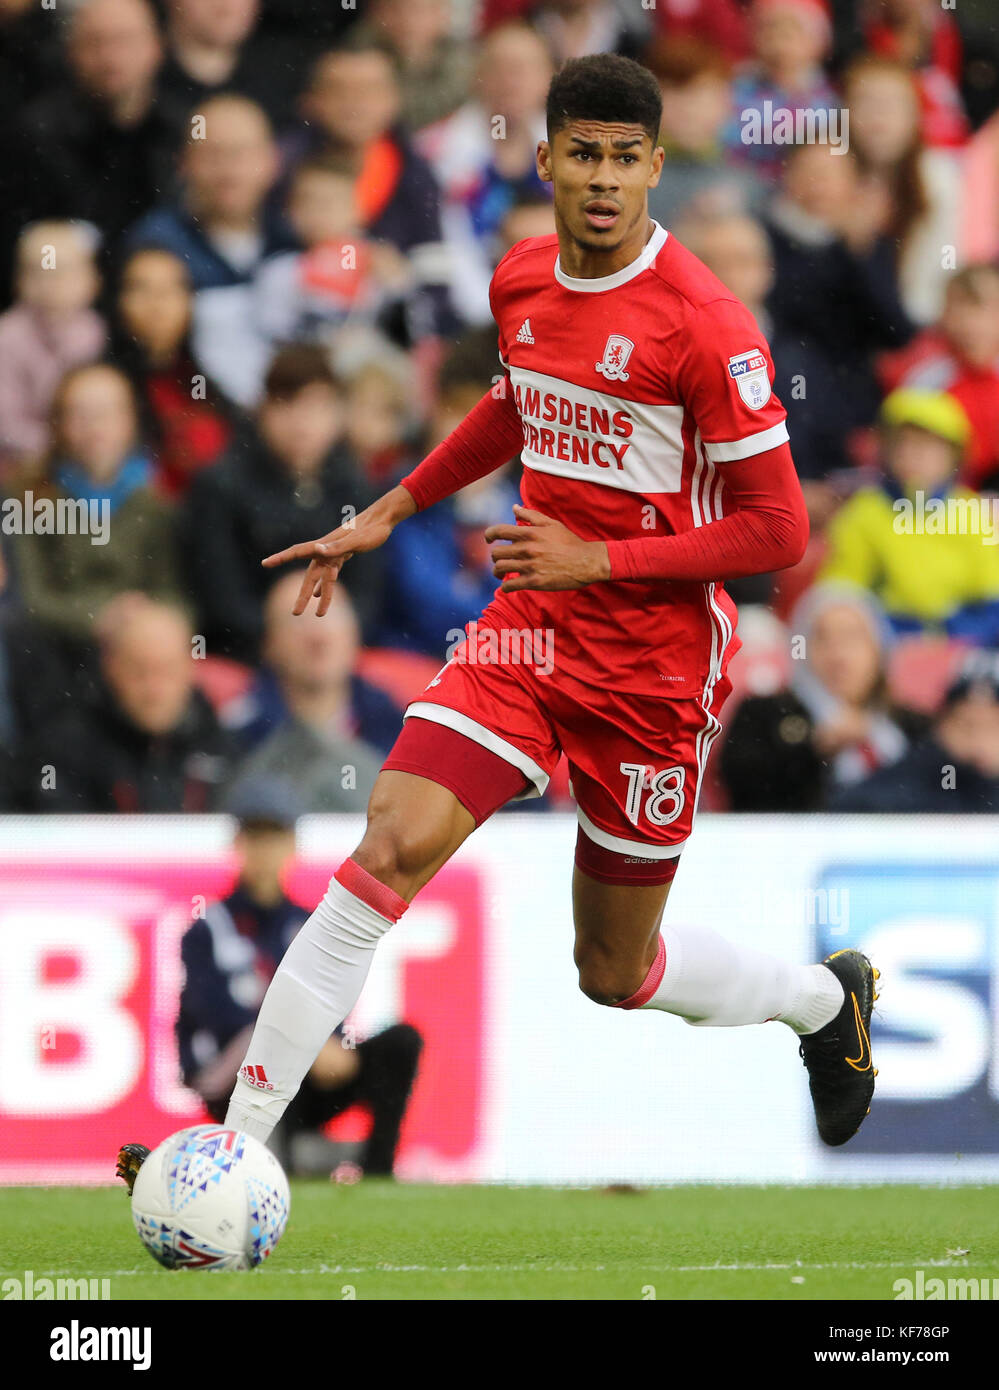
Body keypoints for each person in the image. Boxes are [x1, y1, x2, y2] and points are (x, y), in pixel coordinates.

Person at [207, 54, 880, 1160]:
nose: (604, 178)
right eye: (584, 154)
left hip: (655, 670)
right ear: (546, 159)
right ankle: (233, 1148)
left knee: (613, 972)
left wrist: (600, 560)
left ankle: (821, 1002)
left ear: (657, 166)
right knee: (387, 846)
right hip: (528, 633)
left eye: (626, 158)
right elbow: (515, 401)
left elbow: (780, 530)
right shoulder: (521, 279)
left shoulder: (706, 326)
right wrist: (390, 507)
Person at [172, 779, 423, 1177]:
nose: (265, 851)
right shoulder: (208, 929)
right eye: (255, 838)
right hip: (235, 1080)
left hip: (306, 1076)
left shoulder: (312, 923)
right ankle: (277, 1165)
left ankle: (377, 1170)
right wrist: (303, 1039)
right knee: (270, 1043)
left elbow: (331, 996)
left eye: (275, 838)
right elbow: (214, 1015)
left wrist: (325, 1042)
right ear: (238, 844)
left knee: (401, 1042)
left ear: (292, 845)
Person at [182, 345, 382, 661]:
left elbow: (367, 595)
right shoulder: (220, 486)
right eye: (286, 404)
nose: (301, 422)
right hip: (245, 658)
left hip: (333, 654)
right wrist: (290, 639)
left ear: (338, 415)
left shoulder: (354, 486)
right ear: (262, 410)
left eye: (317, 406)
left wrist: (328, 636)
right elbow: (220, 600)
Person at [9, 363, 184, 650]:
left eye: (106, 412)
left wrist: (147, 620)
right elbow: (29, 598)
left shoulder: (157, 503)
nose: (94, 425)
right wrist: (98, 617)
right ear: (59, 422)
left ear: (130, 419)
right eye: (79, 413)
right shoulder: (27, 499)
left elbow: (176, 593)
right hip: (56, 650)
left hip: (140, 646)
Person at [720, 582, 927, 810]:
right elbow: (744, 790)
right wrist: (813, 751)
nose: (838, 654)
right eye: (822, 638)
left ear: (879, 648)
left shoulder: (912, 724)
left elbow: (942, 798)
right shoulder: (764, 714)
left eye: (852, 637)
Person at [820, 388, 999, 642]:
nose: (913, 454)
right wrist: (893, 631)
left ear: (954, 456)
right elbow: (839, 598)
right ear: (886, 450)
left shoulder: (970, 512)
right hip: (886, 646)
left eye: (928, 445)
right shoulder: (863, 513)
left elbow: (992, 599)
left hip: (962, 648)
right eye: (903, 442)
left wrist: (951, 634)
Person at [30, 594, 236, 812]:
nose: (154, 690)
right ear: (110, 668)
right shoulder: (64, 752)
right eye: (139, 672)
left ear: (190, 668)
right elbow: (59, 832)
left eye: (167, 671)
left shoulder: (222, 747)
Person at [110, 245, 237, 496]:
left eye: (171, 289)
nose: (157, 303)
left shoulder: (208, 376)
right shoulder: (106, 385)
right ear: (118, 301)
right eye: (142, 289)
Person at [878, 264, 999, 493]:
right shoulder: (926, 382)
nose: (971, 325)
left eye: (983, 311)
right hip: (939, 505)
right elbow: (902, 458)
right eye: (958, 312)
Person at [833, 649, 999, 813]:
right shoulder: (905, 785)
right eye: (967, 725)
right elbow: (858, 804)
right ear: (942, 726)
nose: (980, 741)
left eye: (994, 726)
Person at [0, 221, 106, 470]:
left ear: (92, 281)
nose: (51, 286)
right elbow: (6, 423)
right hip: (21, 463)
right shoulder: (7, 337)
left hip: (89, 455)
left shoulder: (96, 331)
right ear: (18, 281)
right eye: (38, 273)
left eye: (64, 273)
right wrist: (63, 447)